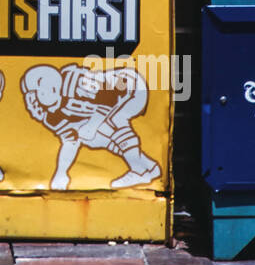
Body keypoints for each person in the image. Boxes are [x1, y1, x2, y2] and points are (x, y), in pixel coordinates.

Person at [21, 63, 161, 190]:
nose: (32, 101)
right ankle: (150, 167)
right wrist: (61, 174)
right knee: (92, 138)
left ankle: (138, 171)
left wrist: (91, 127)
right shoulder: (53, 117)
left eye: (35, 93)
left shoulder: (75, 82)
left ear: (49, 86)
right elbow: (71, 142)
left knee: (110, 122)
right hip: (114, 101)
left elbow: (110, 97)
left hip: (131, 87)